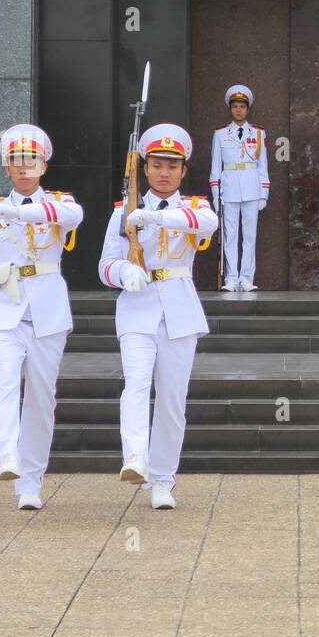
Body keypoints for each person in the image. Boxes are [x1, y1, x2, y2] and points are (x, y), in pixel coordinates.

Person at [99, 123, 218, 510]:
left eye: (172, 165)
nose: (164, 172)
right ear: (143, 168)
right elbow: (104, 265)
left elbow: (207, 226)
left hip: (180, 310)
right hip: (136, 308)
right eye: (156, 164)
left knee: (171, 400)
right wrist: (124, 273)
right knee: (135, 384)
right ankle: (135, 456)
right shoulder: (124, 209)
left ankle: (163, 478)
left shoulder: (195, 207)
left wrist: (155, 219)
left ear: (184, 171)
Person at [0, 124, 83, 511]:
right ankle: (8, 456)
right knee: (6, 378)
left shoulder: (60, 205)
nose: (24, 168)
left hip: (47, 310)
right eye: (16, 162)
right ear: (7, 168)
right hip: (5, 307)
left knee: (42, 398)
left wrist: (18, 211)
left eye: (31, 161)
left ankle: (31, 482)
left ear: (44, 165)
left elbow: (74, 215)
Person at [210, 84, 269, 291]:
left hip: (252, 188)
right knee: (230, 236)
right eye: (235, 106)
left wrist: (264, 193)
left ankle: (246, 278)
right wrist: (216, 195)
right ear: (230, 109)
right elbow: (216, 167)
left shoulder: (259, 133)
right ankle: (231, 278)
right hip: (230, 189)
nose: (238, 110)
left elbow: (263, 166)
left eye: (242, 106)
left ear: (248, 109)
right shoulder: (220, 134)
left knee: (250, 236)